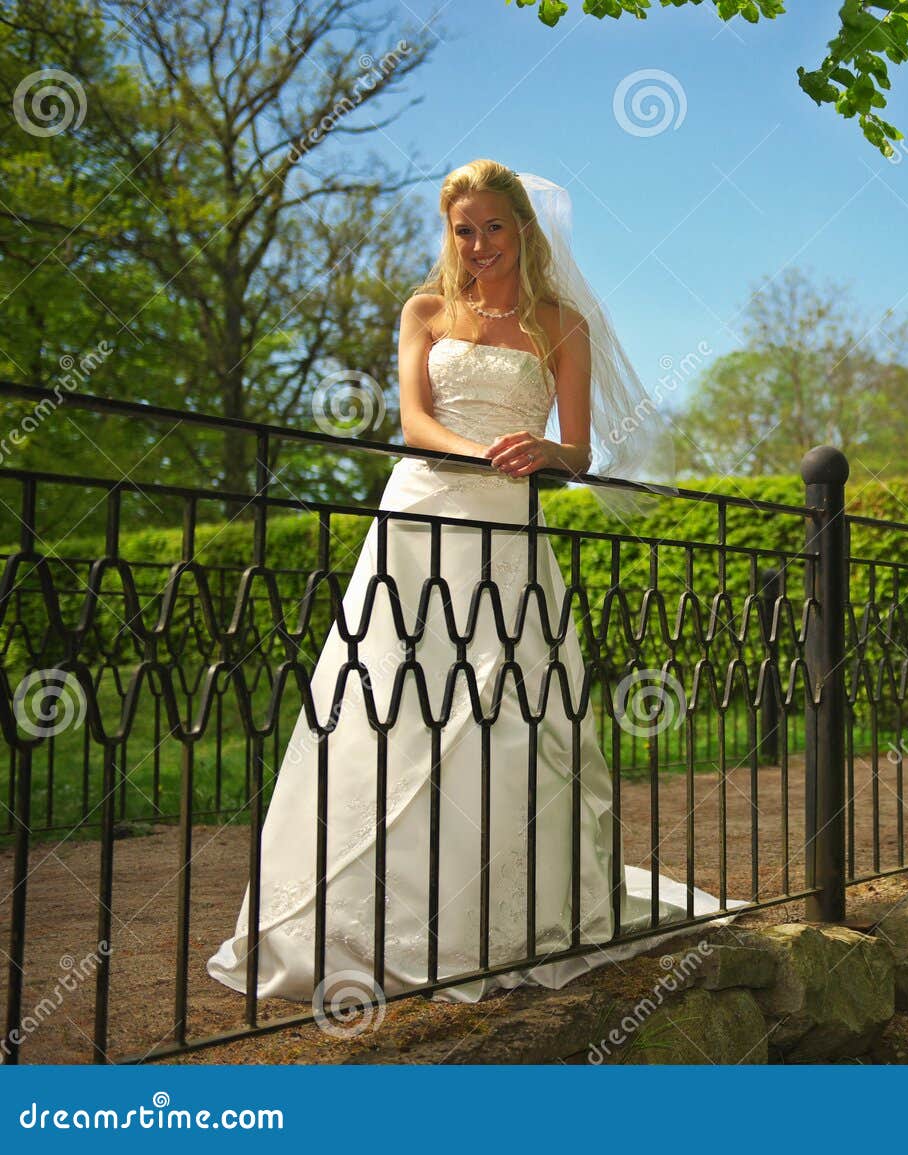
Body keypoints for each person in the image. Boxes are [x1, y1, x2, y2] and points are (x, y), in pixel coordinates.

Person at [207, 160, 736, 1009]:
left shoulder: (562, 324)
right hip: (419, 517)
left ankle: (488, 923)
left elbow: (580, 449)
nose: (479, 243)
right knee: (387, 699)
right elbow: (413, 420)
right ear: (449, 233)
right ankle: (350, 922)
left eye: (494, 226)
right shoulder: (425, 311)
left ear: (524, 229)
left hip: (508, 529)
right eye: (464, 229)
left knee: (507, 710)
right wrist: (474, 454)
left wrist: (544, 454)